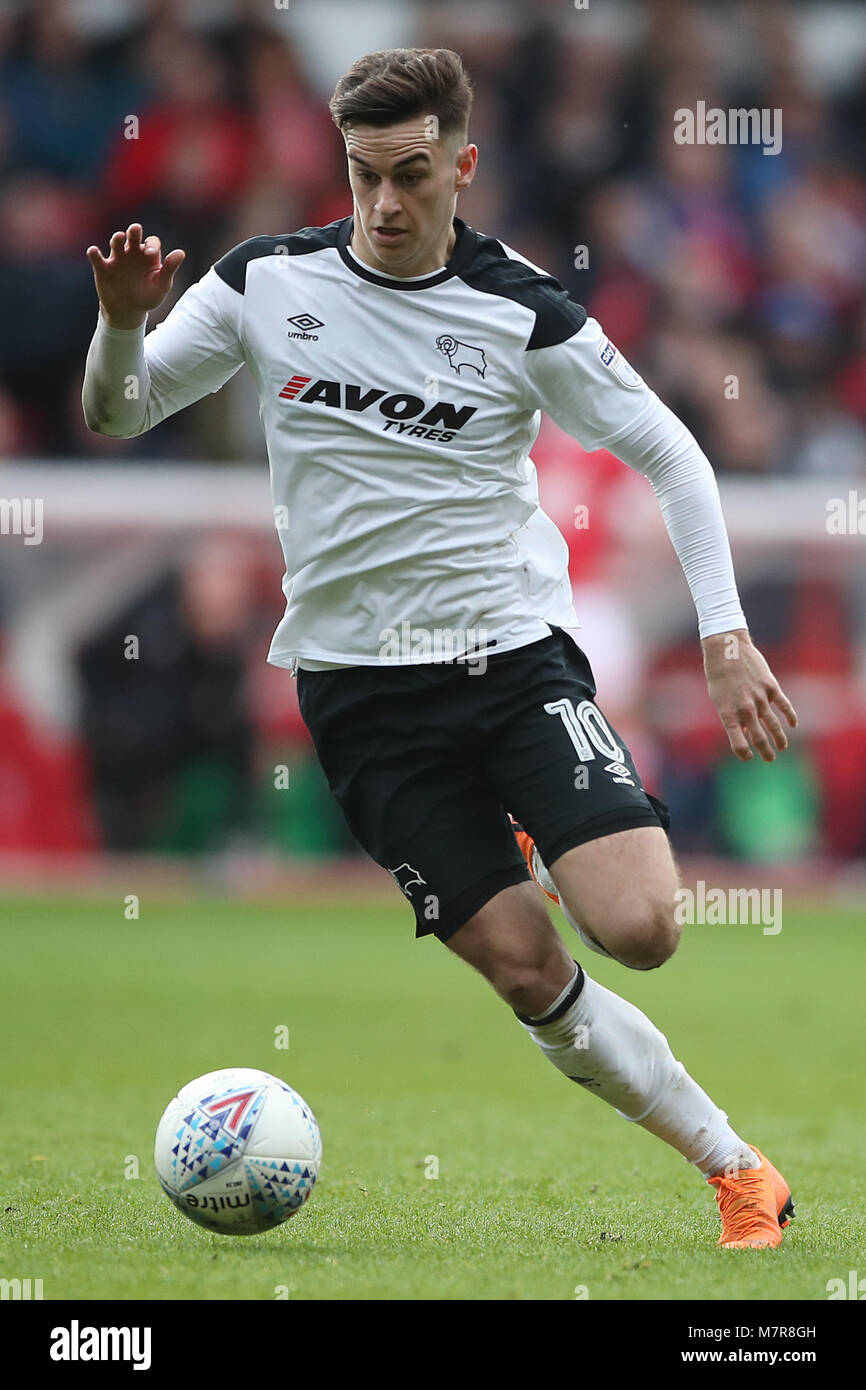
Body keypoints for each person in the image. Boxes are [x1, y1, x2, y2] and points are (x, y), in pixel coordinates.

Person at [82, 47, 798, 1249]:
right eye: (362, 175)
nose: (383, 203)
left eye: (411, 174)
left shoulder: (521, 309)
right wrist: (115, 329)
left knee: (644, 928)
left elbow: (674, 453)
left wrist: (723, 636)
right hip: (362, 702)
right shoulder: (267, 281)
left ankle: (533, 817)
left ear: (460, 164)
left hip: (510, 663)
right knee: (528, 972)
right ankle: (738, 1171)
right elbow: (117, 410)